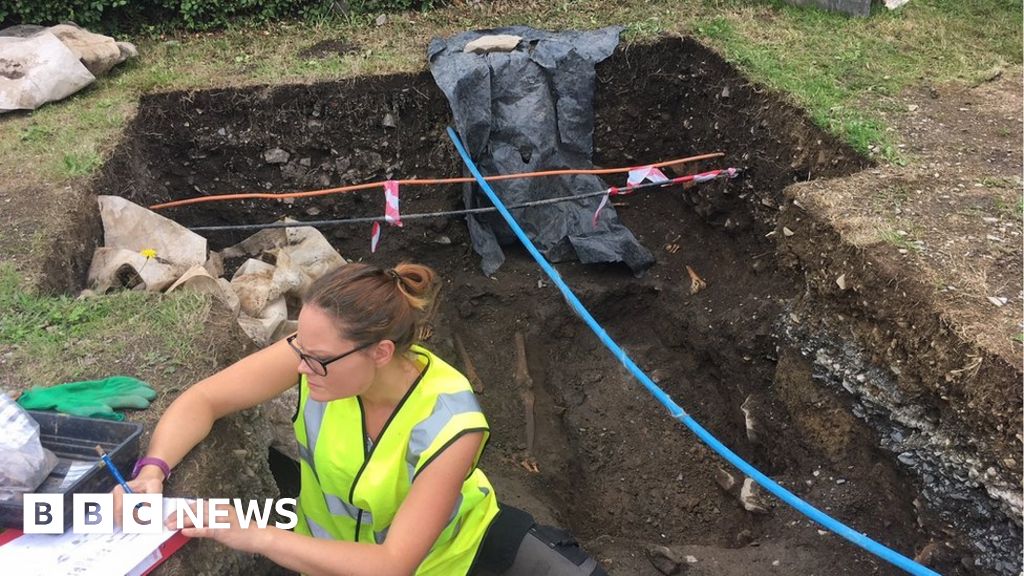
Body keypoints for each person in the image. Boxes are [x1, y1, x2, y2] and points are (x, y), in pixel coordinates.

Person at [113, 262, 605, 576]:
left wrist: (254, 534)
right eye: (299, 349)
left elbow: (393, 565)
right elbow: (204, 400)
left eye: (316, 358)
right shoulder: (317, 360)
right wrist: (153, 470)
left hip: (449, 561)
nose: (300, 368)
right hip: (325, 559)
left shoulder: (453, 425)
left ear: (380, 352)